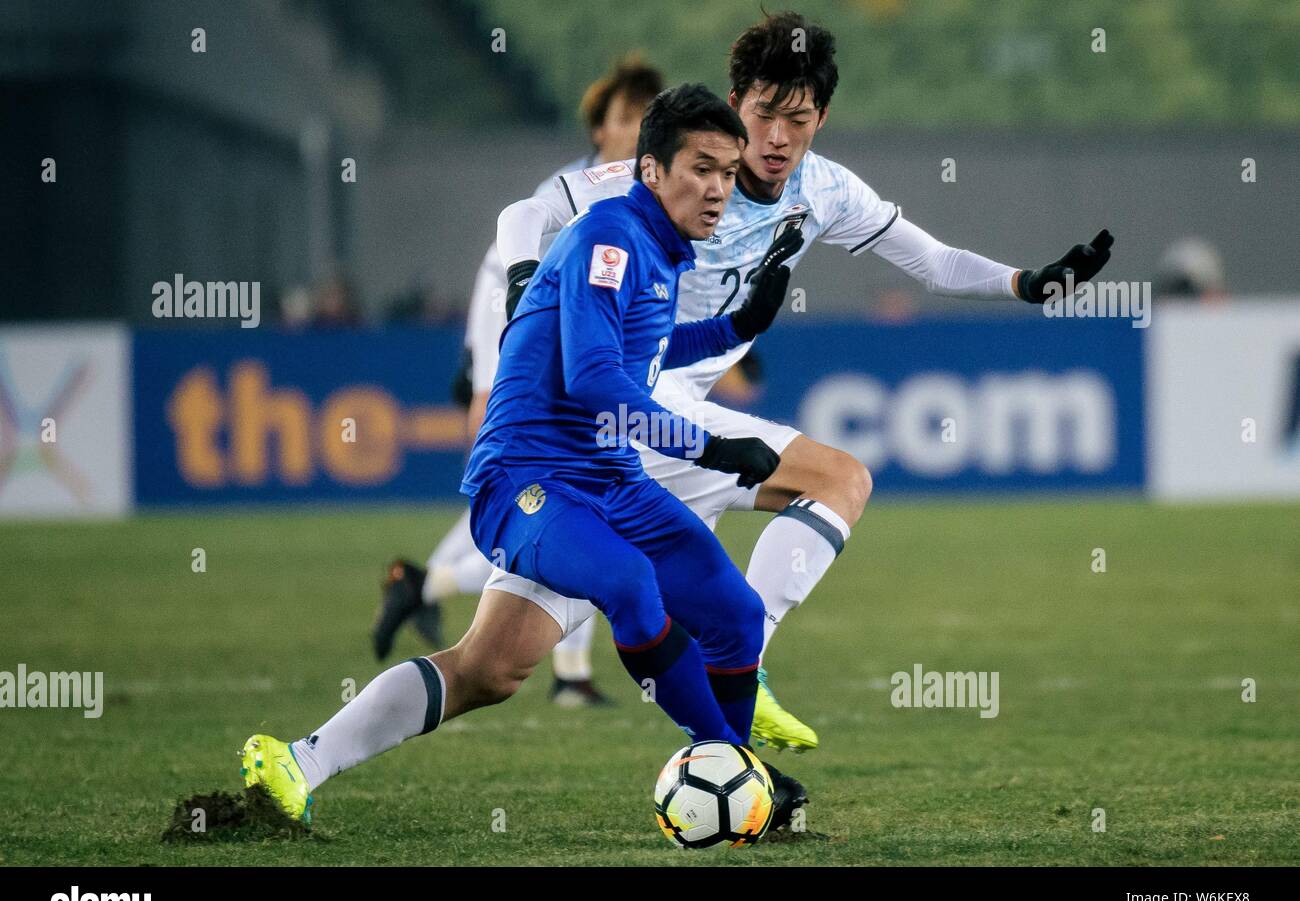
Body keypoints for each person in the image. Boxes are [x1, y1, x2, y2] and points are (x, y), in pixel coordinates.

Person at [478, 10, 1115, 751]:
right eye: (764, 115)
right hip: (633, 408)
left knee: (490, 667)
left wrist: (1027, 282)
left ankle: (310, 760)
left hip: (658, 416)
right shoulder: (665, 175)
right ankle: (742, 673)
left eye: (799, 118)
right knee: (840, 479)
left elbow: (935, 261)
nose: (779, 138)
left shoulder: (828, 192)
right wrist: (525, 284)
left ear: (823, 117)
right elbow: (523, 212)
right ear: (736, 104)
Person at [240, 84, 809, 829]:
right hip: (527, 480)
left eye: (730, 173)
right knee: (630, 583)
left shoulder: (661, 248)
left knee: (703, 620)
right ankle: (732, 765)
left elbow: (650, 349)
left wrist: (742, 321)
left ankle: (296, 760)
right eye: (702, 167)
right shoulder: (612, 238)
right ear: (650, 171)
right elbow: (597, 382)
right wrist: (710, 446)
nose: (718, 189)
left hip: (610, 481)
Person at [373, 55, 664, 709]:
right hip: (541, 379)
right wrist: (483, 368)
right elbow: (500, 264)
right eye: (627, 117)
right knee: (575, 514)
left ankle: (445, 597)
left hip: (583, 377)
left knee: (576, 513)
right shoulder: (577, 188)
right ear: (602, 130)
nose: (639, 127)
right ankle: (440, 595)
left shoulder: (651, 193)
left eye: (649, 114)